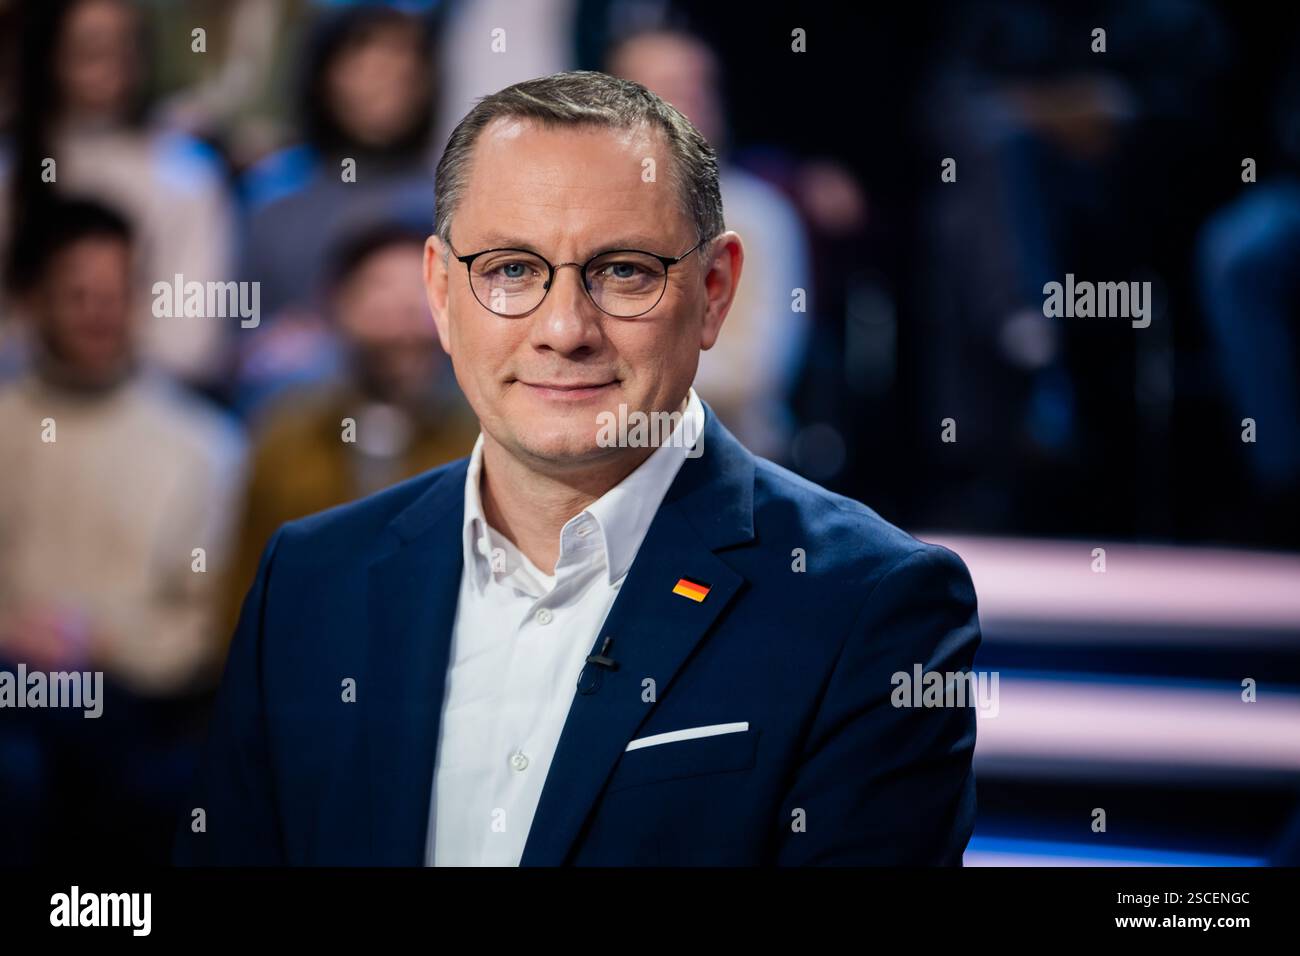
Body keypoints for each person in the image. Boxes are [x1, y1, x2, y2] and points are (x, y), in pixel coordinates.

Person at [175, 71, 980, 866]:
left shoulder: (870, 608)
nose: (565, 328)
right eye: (511, 270)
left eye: (624, 269)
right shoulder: (310, 580)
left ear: (715, 289)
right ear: (441, 293)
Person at [0, 197, 245, 863]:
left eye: (117, 293)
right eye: (76, 294)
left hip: (135, 703)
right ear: (33, 302)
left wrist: (102, 639)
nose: (99, 314)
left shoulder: (202, 444)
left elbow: (205, 620)